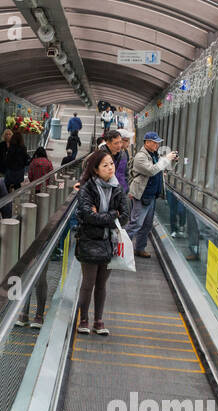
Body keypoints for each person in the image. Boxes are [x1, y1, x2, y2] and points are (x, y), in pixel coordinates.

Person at [73, 148, 130, 335]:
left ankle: (98, 320)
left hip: (109, 241)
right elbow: (88, 216)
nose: (110, 168)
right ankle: (83, 320)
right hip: (90, 240)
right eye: (105, 165)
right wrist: (113, 215)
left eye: (111, 164)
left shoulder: (117, 188)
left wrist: (104, 216)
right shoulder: (87, 188)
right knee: (88, 282)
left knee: (102, 283)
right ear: (95, 169)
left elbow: (125, 216)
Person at [126, 131, 178, 259]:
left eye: (158, 143)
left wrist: (173, 161)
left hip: (152, 196)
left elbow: (164, 168)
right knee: (136, 224)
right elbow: (151, 170)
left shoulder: (154, 155)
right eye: (155, 143)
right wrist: (166, 159)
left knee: (147, 225)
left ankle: (139, 248)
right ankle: (120, 249)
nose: (157, 145)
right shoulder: (141, 156)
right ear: (147, 142)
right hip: (142, 195)